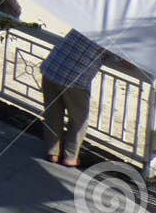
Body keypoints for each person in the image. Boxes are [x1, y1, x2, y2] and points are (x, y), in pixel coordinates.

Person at [40, 29, 109, 167]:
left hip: (51, 68)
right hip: (75, 80)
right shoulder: (113, 38)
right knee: (79, 119)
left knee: (53, 114)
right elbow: (126, 62)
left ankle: (53, 153)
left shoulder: (85, 22)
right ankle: (70, 157)